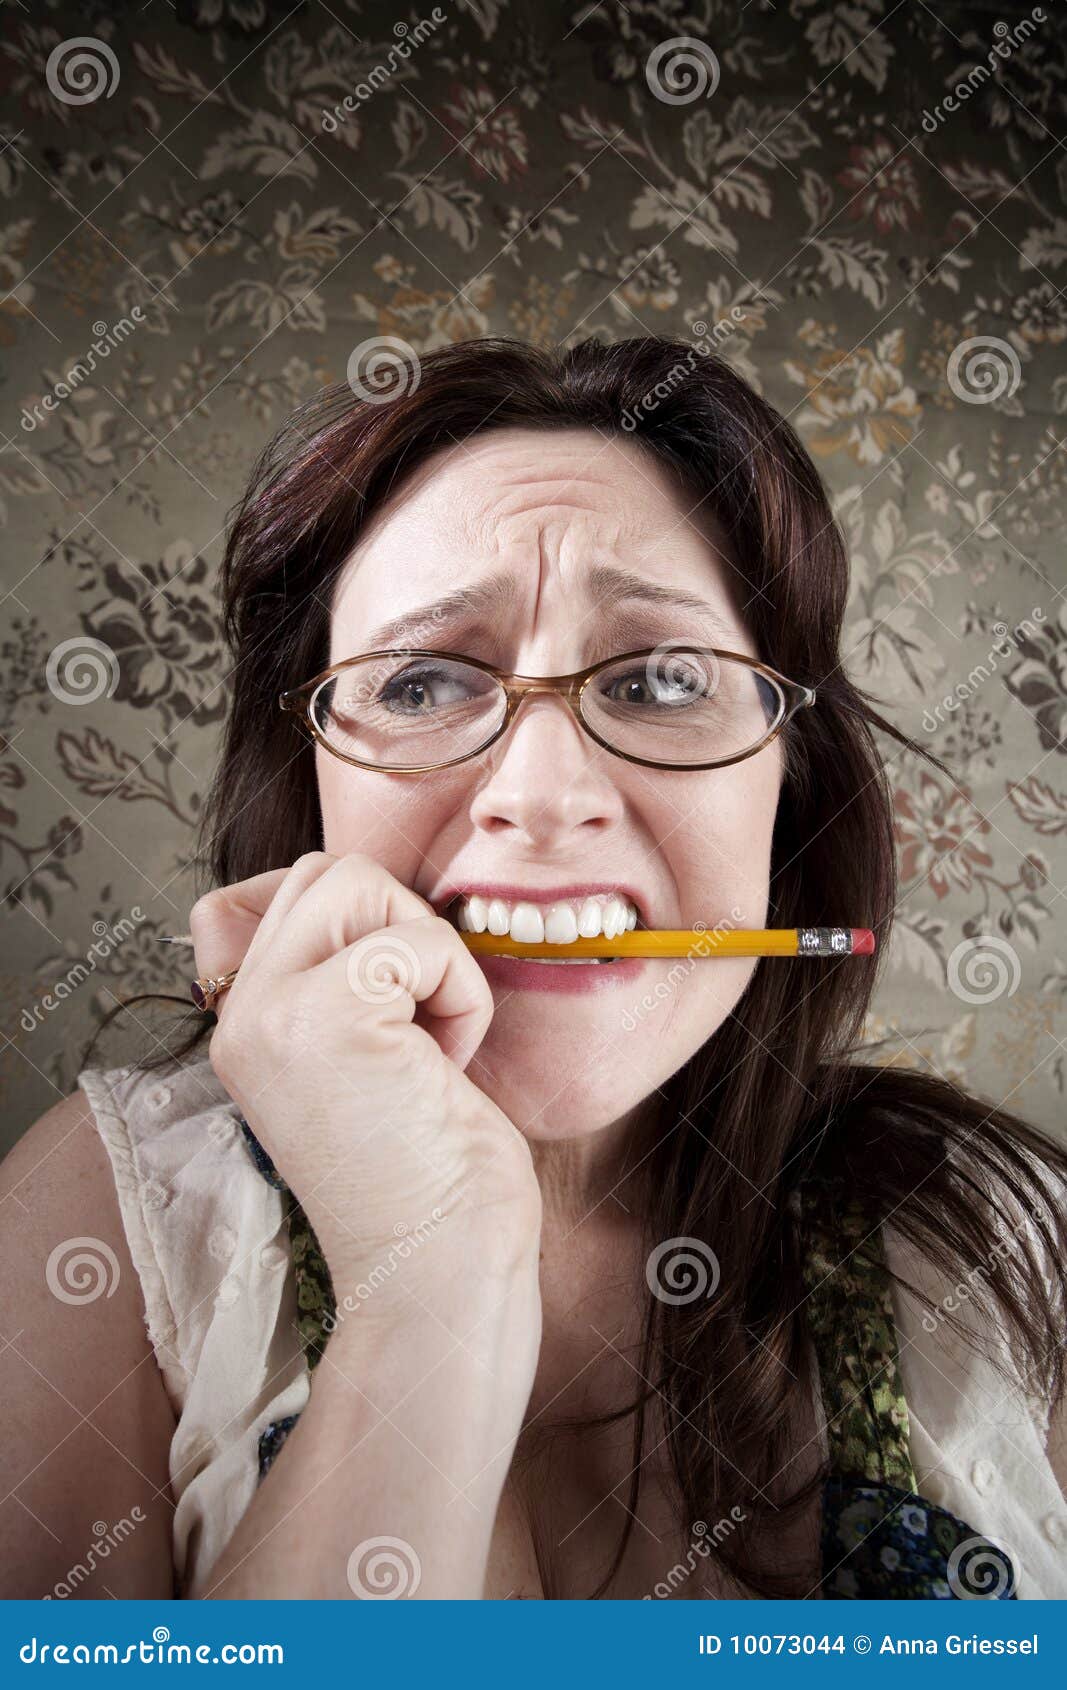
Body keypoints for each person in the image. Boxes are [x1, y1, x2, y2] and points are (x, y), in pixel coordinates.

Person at [2, 336, 1065, 1602]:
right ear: (311, 791)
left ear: (789, 787)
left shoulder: (1004, 1243)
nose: (541, 796)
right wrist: (433, 1274)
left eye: (664, 678)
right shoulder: (103, 1218)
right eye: (422, 681)